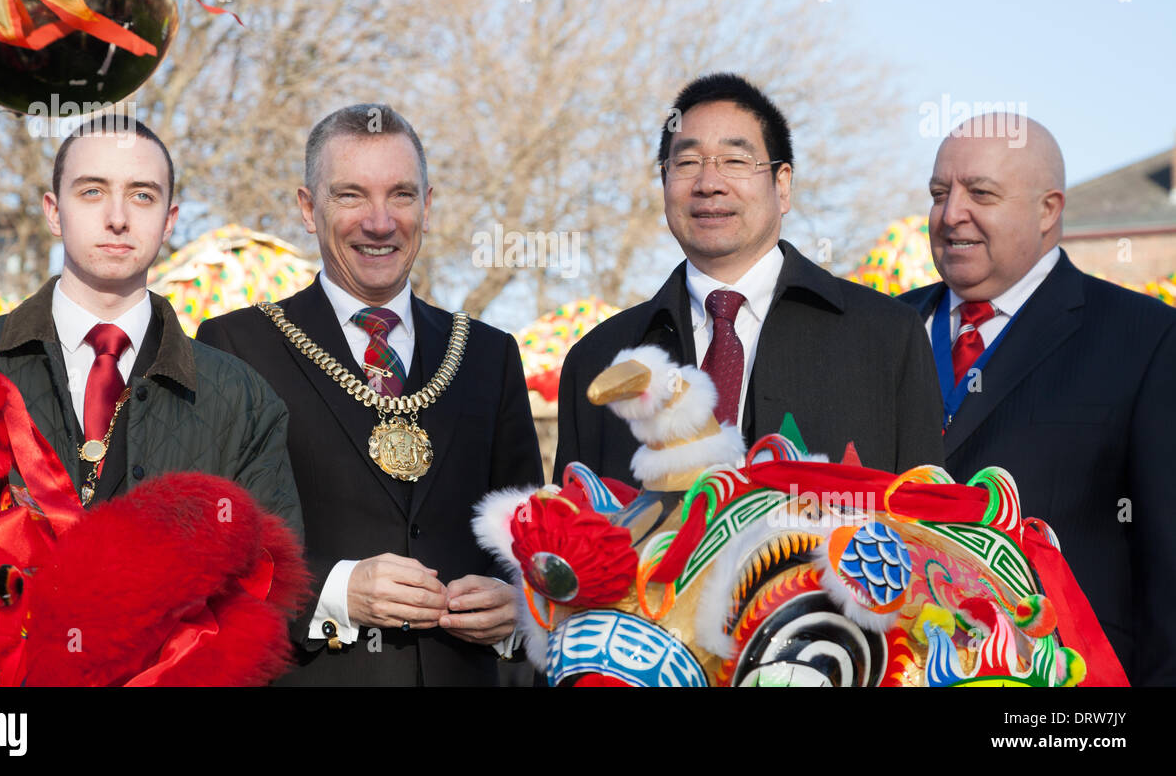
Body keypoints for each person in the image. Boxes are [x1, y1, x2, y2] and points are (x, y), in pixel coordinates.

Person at [196, 103, 543, 686]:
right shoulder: (236, 345)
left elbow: (529, 540)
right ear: (309, 209)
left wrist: (523, 604)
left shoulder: (489, 354)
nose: (380, 223)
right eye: (351, 196)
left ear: (428, 207)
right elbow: (214, 554)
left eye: (401, 195)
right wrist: (337, 593)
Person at [556, 72, 943, 486]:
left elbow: (927, 525)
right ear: (664, 183)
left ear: (782, 185)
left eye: (735, 161)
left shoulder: (886, 336)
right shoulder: (600, 361)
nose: (708, 184)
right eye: (686, 163)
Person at [900, 114, 1176, 685]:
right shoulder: (881, 329)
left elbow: (1168, 574)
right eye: (939, 194)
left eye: (981, 193)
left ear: (1048, 210)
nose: (951, 215)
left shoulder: (1147, 340)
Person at [0, 112, 302, 535]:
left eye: (142, 196)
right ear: (54, 212)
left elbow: (271, 579)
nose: (117, 218)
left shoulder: (241, 399)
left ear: (169, 220)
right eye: (92, 191)